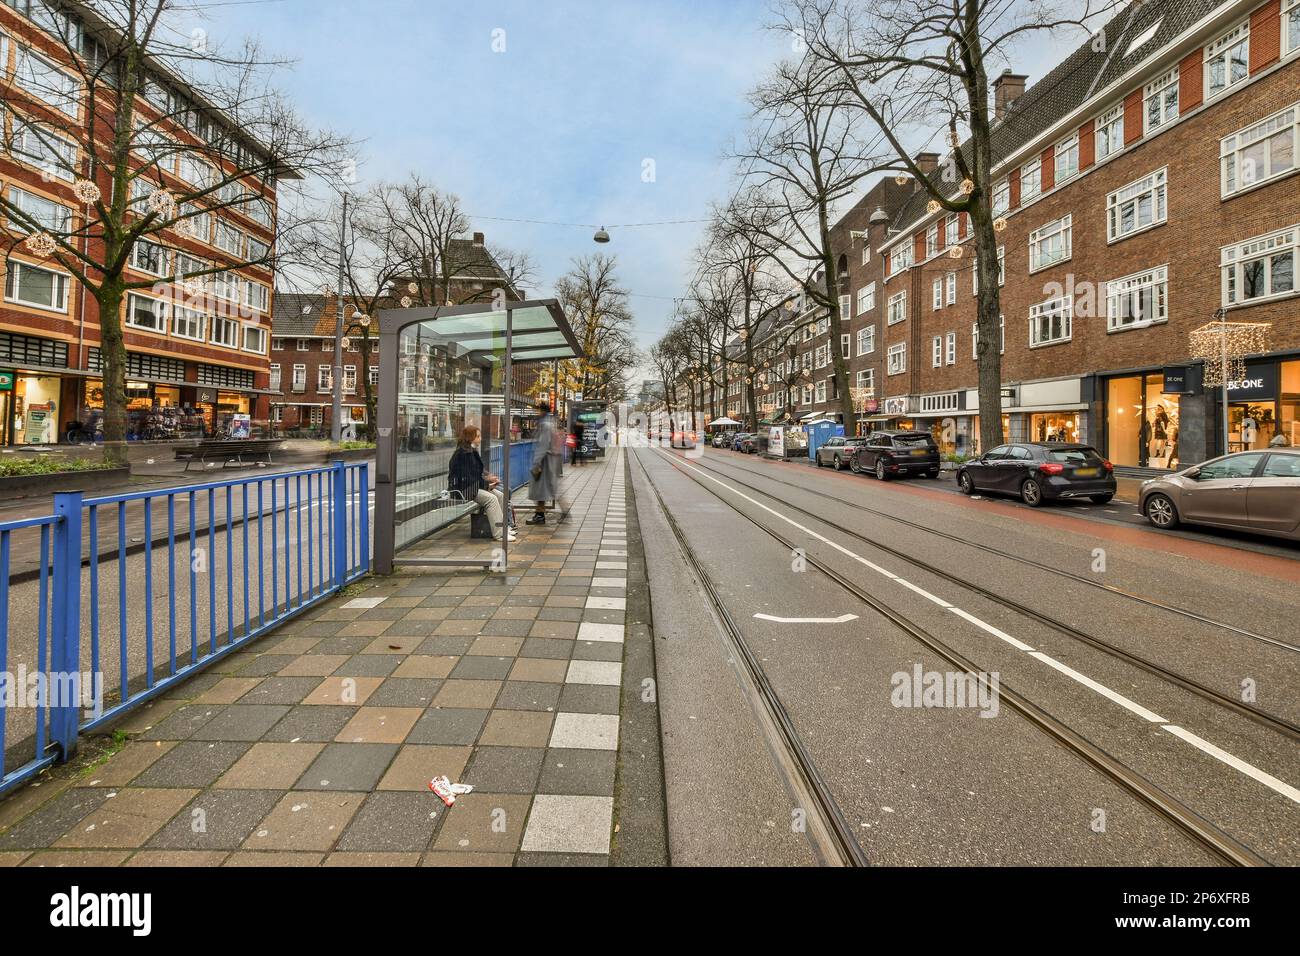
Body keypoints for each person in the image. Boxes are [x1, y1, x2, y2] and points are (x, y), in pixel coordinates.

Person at [447, 425, 516, 542]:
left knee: (500, 495)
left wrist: (488, 481)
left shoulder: (470, 452)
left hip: (472, 487)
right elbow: (467, 479)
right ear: (470, 438)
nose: (480, 439)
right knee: (491, 499)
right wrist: (486, 485)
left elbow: (475, 474)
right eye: (477, 436)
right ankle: (499, 534)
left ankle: (503, 527)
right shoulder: (463, 454)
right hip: (463, 489)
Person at [527, 401, 567, 525]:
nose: (536, 412)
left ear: (541, 411)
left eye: (537, 410)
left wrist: (536, 463)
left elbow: (542, 446)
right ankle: (541, 514)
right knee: (547, 489)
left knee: (544, 489)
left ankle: (543, 515)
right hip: (551, 460)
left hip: (545, 462)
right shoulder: (551, 422)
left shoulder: (545, 424)